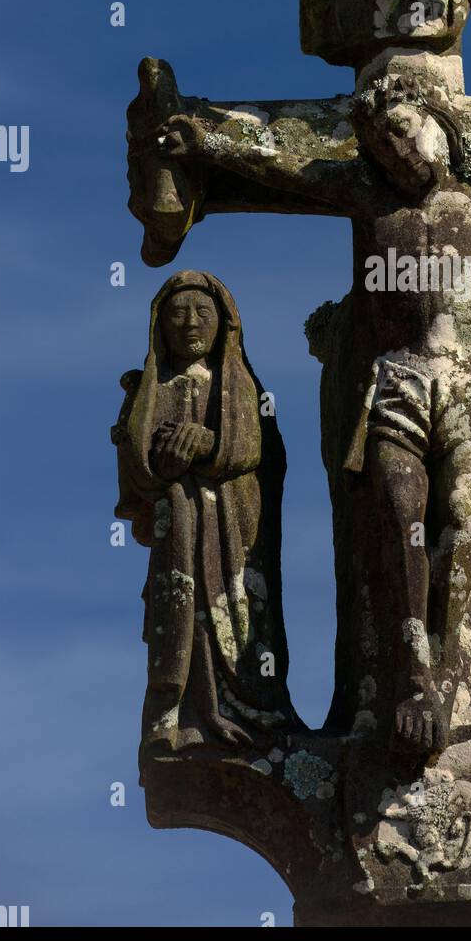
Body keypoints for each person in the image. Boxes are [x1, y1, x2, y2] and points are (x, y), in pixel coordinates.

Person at [112, 271, 298, 753]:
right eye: (177, 314)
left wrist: (211, 444)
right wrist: (159, 465)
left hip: (234, 531)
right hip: (179, 530)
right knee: (181, 611)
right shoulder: (149, 390)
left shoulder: (240, 387)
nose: (191, 323)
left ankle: (252, 711)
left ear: (224, 324)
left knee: (243, 615)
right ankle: (180, 715)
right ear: (159, 326)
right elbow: (134, 467)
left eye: (203, 313)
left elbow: (261, 454)